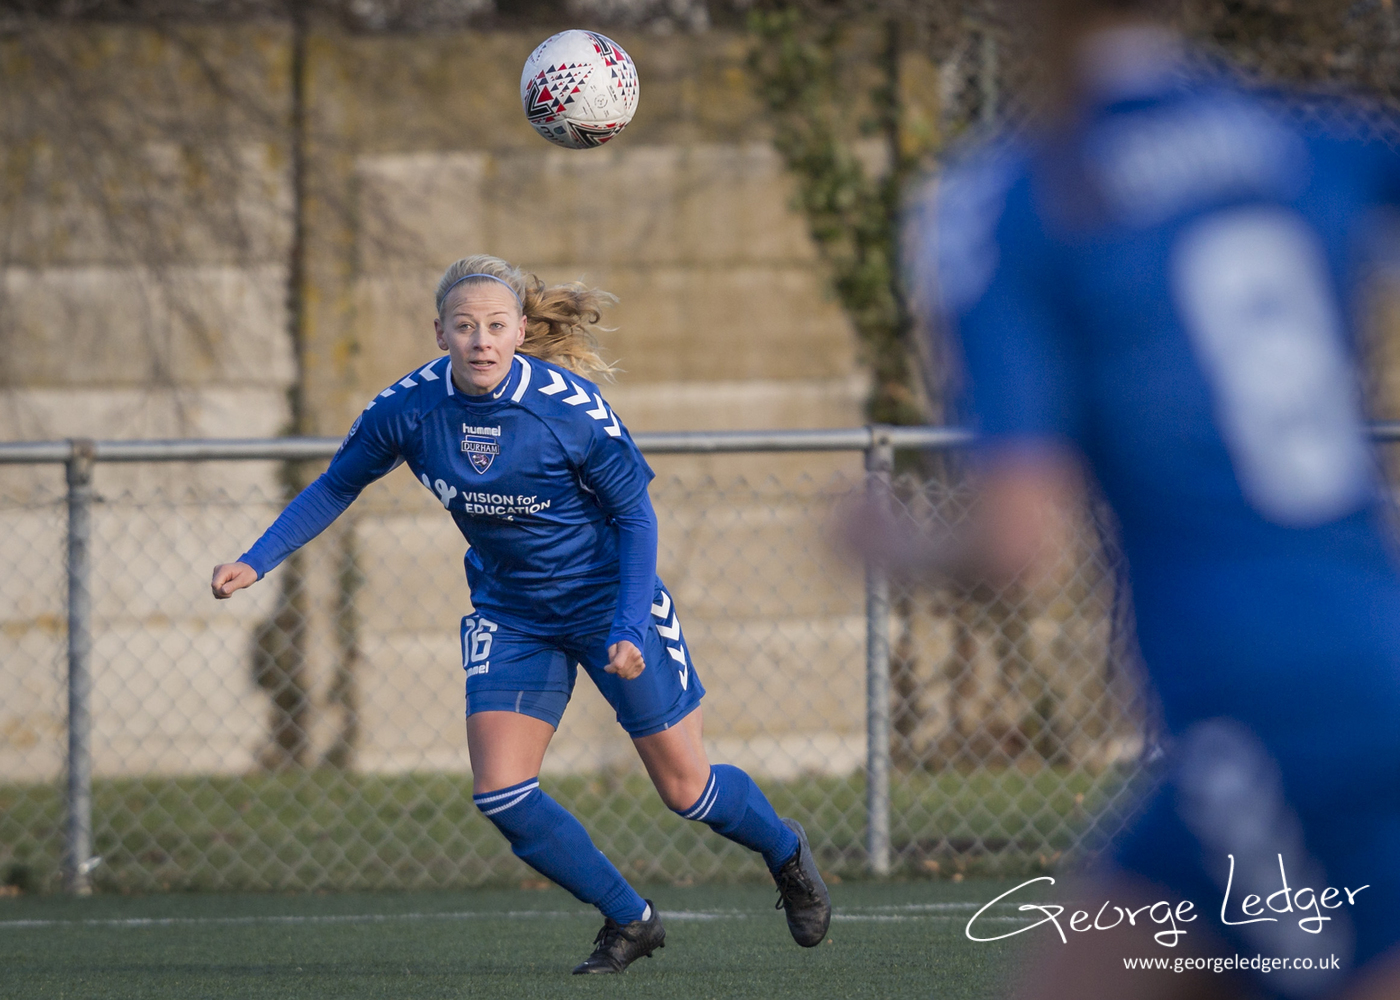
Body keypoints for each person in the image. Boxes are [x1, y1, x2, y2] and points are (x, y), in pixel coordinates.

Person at [892, 1, 1400, 998]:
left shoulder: (1019, 197)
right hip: (1348, 649)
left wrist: (880, 539)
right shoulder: (1309, 139)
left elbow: (1015, 541)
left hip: (1254, 690)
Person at [211, 255, 831, 974]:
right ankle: (632, 919)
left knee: (687, 790)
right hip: (512, 614)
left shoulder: (567, 410)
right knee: (502, 792)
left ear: (520, 331)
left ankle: (785, 852)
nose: (481, 340)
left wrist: (629, 625)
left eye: (496, 326)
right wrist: (255, 560)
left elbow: (635, 516)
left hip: (608, 604)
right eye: (465, 326)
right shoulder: (407, 408)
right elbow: (334, 485)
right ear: (439, 331)